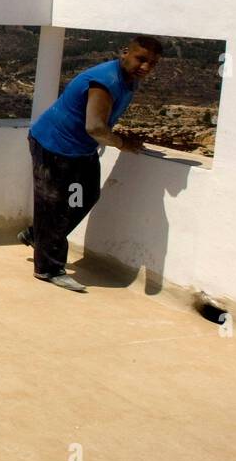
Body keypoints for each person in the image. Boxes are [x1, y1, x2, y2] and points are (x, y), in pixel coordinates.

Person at [19, 35, 163, 291]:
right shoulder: (106, 81)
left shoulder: (128, 79)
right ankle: (48, 268)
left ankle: (37, 235)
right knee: (52, 205)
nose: (146, 66)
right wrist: (122, 143)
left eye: (152, 63)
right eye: (141, 59)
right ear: (125, 52)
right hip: (53, 145)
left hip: (81, 150)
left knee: (85, 197)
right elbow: (95, 127)